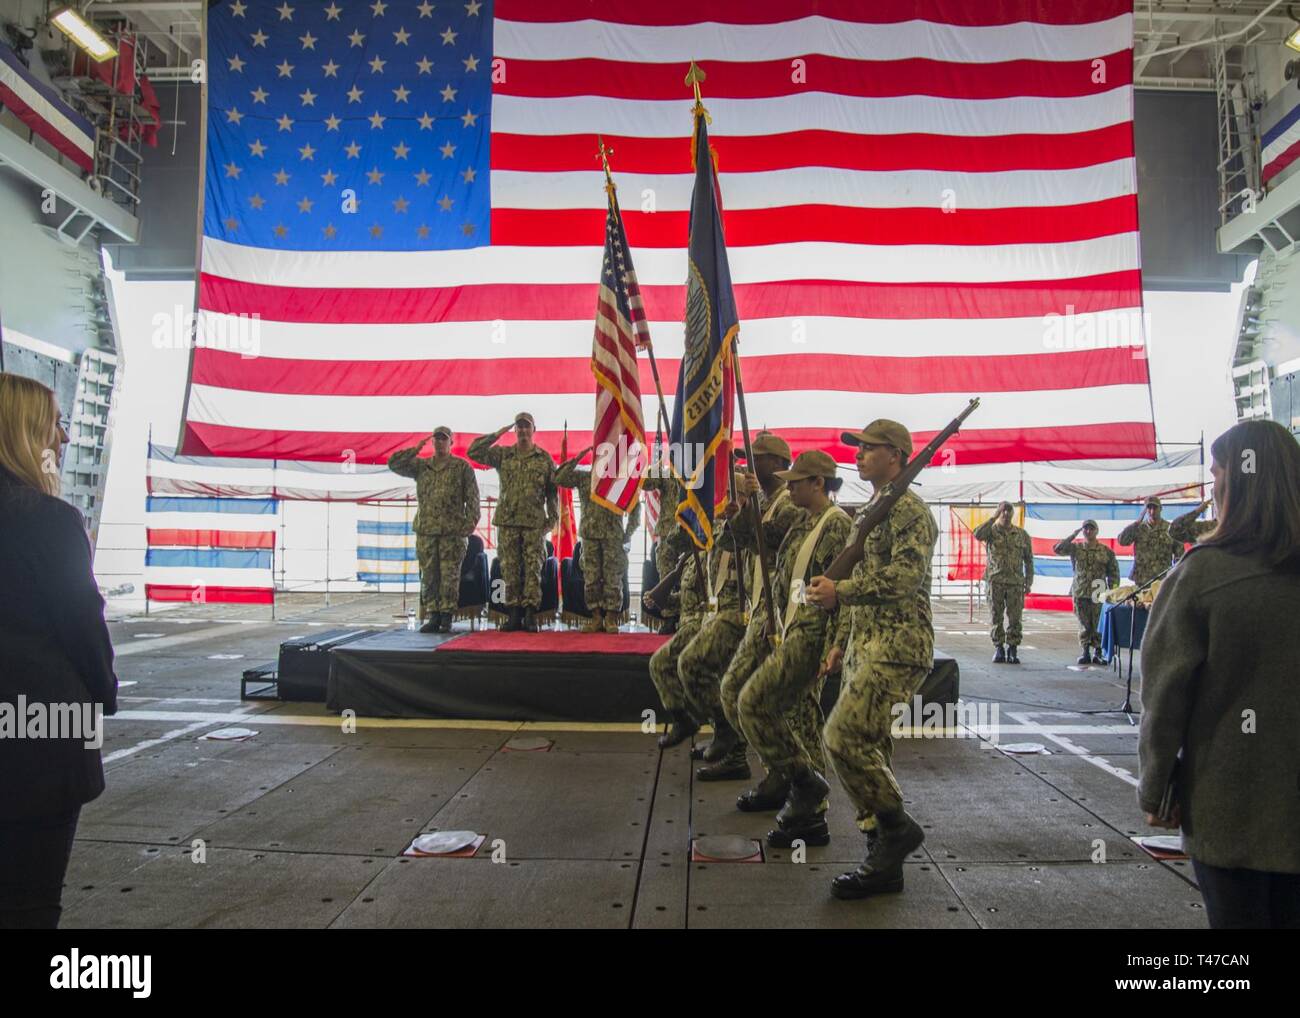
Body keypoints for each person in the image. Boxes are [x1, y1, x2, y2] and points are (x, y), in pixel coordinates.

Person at [1138, 420, 1300, 929]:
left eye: (1217, 470)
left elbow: (1164, 696)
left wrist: (1156, 788)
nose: (1213, 480)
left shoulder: (1202, 574)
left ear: (1236, 480)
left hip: (1234, 806)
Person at [0, 373, 118, 929]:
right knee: (29, 900)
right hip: (38, 736)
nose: (65, 437)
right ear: (24, 432)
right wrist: (104, 695)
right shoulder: (50, 522)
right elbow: (83, 628)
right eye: (56, 423)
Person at [805, 419, 937, 900]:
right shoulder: (874, 510)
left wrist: (840, 589)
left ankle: (897, 829)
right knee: (872, 751)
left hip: (899, 647)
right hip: (867, 645)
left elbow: (905, 578)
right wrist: (842, 638)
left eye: (868, 448)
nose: (858, 455)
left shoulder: (910, 512)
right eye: (857, 449)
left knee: (841, 737)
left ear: (897, 455)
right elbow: (858, 579)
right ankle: (882, 857)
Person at [733, 450, 852, 850]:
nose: (789, 486)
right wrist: (746, 502)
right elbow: (751, 540)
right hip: (790, 629)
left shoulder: (836, 526)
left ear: (818, 483)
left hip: (811, 635)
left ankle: (808, 790)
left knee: (757, 704)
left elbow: (842, 593)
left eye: (797, 481)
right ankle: (807, 811)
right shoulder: (802, 520)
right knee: (798, 719)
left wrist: (835, 643)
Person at [698, 432, 802, 781]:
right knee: (739, 690)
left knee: (745, 691)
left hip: (779, 614)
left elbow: (766, 538)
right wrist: (741, 511)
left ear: (779, 464)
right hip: (760, 607)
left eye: (759, 458)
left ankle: (788, 773)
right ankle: (758, 762)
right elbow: (732, 539)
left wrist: (749, 508)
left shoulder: (787, 503)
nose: (749, 464)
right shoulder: (764, 502)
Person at [676, 488, 748, 766]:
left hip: (738, 615)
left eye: (732, 494)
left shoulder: (750, 526)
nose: (724, 500)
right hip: (717, 612)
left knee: (725, 681)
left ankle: (736, 755)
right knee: (721, 680)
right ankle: (724, 738)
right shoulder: (720, 526)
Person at [468, 413, 558, 632]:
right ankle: (514, 613)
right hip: (508, 522)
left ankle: (530, 614)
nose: (523, 431)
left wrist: (552, 519)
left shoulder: (544, 459)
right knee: (510, 569)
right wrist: (499, 432)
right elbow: (474, 451)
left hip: (534, 524)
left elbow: (552, 492)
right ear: (515, 431)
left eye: (527, 427)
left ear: (533, 430)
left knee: (532, 569)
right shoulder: (503, 455)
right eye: (519, 427)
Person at [386, 426, 479, 633]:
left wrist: (469, 525)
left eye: (443, 439)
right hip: (427, 531)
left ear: (450, 442)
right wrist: (415, 449)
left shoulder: (461, 467)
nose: (439, 442)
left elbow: (473, 499)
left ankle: (446, 617)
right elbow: (394, 463)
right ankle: (433, 615)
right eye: (436, 439)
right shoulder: (421, 466)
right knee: (429, 575)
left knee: (449, 575)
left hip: (452, 533)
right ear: (432, 442)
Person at [555, 445, 640, 633]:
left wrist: (628, 533)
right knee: (591, 577)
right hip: (590, 535)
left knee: (613, 578)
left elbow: (635, 507)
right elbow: (559, 477)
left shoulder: (620, 479)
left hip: (613, 535)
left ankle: (610, 618)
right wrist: (577, 457)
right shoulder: (585, 477)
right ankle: (595, 618)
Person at [646, 548, 706, 747]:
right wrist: (661, 598)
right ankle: (687, 722)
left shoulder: (713, 554)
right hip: (688, 624)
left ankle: (725, 739)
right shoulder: (692, 556)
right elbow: (687, 598)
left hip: (703, 624)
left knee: (662, 663)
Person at [972, 501, 1034, 663]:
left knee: (1015, 618)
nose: (1006, 514)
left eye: (1009, 511)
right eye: (1003, 511)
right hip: (995, 581)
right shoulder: (991, 532)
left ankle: (1013, 649)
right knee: (995, 616)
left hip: (1015, 582)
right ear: (999, 512)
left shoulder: (1021, 535)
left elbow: (1029, 560)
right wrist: (993, 517)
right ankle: (999, 647)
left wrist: (1029, 581)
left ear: (1013, 514)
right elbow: (977, 534)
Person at [1052, 520, 1120, 664]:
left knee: (1098, 622)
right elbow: (1058, 549)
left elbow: (1113, 572)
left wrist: (1113, 591)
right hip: (1080, 589)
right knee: (1084, 623)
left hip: (1098, 590)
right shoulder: (1076, 548)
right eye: (1086, 529)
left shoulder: (1105, 551)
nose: (1088, 531)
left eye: (1091, 529)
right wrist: (1072, 535)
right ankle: (1085, 651)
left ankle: (1098, 652)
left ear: (1097, 531)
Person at [641, 456, 693, 635]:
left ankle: (689, 616)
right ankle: (670, 617)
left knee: (690, 578)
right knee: (666, 575)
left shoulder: (700, 470)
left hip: (691, 533)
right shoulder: (666, 473)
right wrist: (656, 464)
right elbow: (645, 483)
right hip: (668, 532)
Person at [1117, 495, 1183, 588]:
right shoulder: (1138, 528)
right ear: (1145, 510)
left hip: (1162, 579)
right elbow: (1122, 541)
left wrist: (1175, 576)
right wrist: (1135, 524)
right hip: (1142, 580)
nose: (1152, 511)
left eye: (1155, 507)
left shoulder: (1170, 529)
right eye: (1149, 508)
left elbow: (1179, 556)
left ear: (1160, 508)